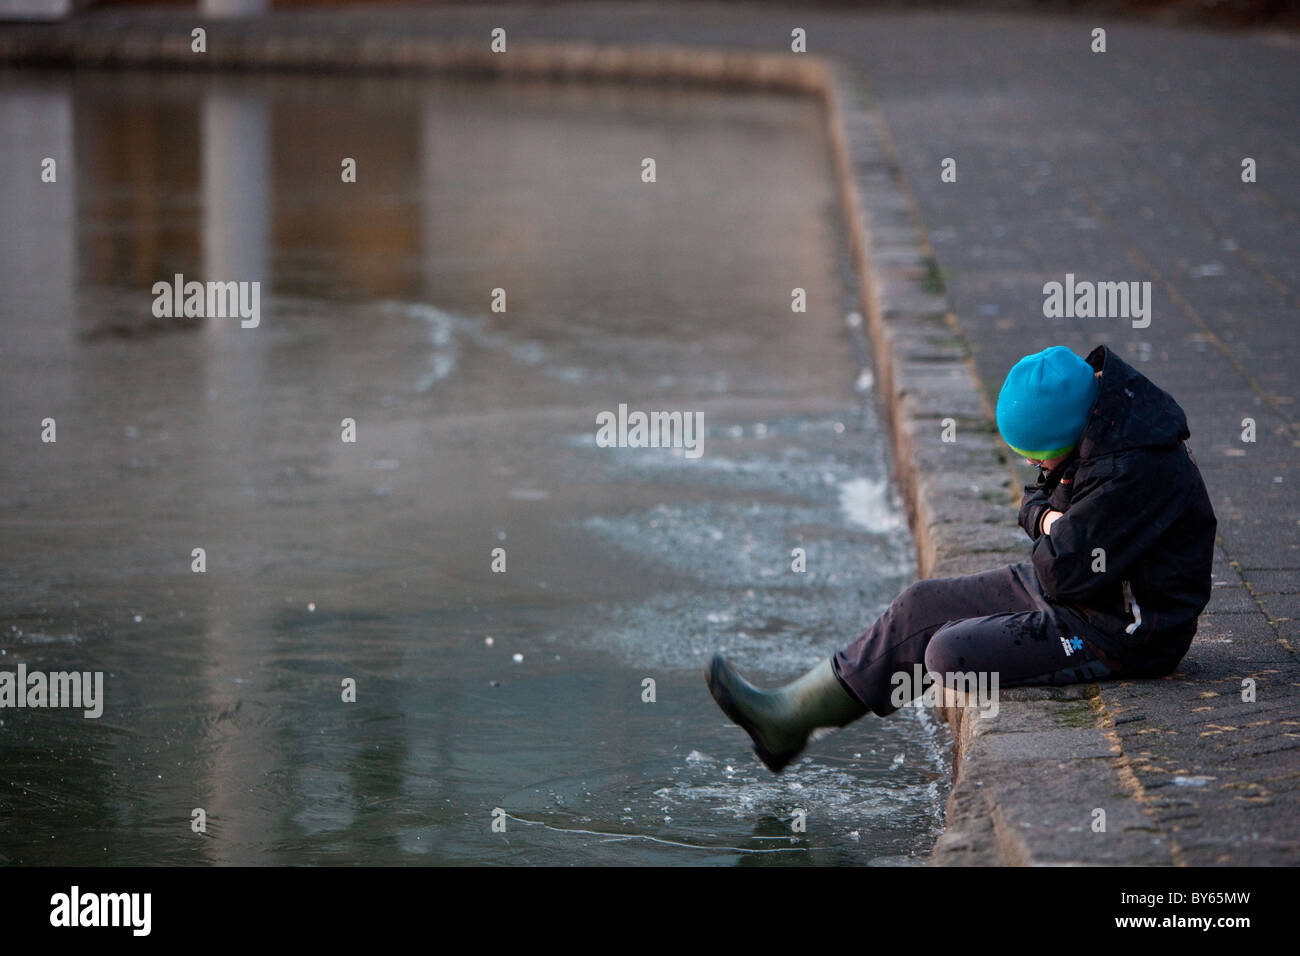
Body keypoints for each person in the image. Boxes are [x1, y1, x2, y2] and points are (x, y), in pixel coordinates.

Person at [705, 344, 1217, 772]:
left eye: (1038, 456)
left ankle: (795, 720)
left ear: (1066, 437)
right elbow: (1035, 507)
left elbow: (1060, 572)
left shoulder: (1133, 469)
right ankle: (789, 720)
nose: (1033, 467)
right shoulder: (1098, 420)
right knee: (919, 605)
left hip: (1121, 632)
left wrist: (1054, 530)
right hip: (1082, 588)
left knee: (947, 654)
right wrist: (1051, 523)